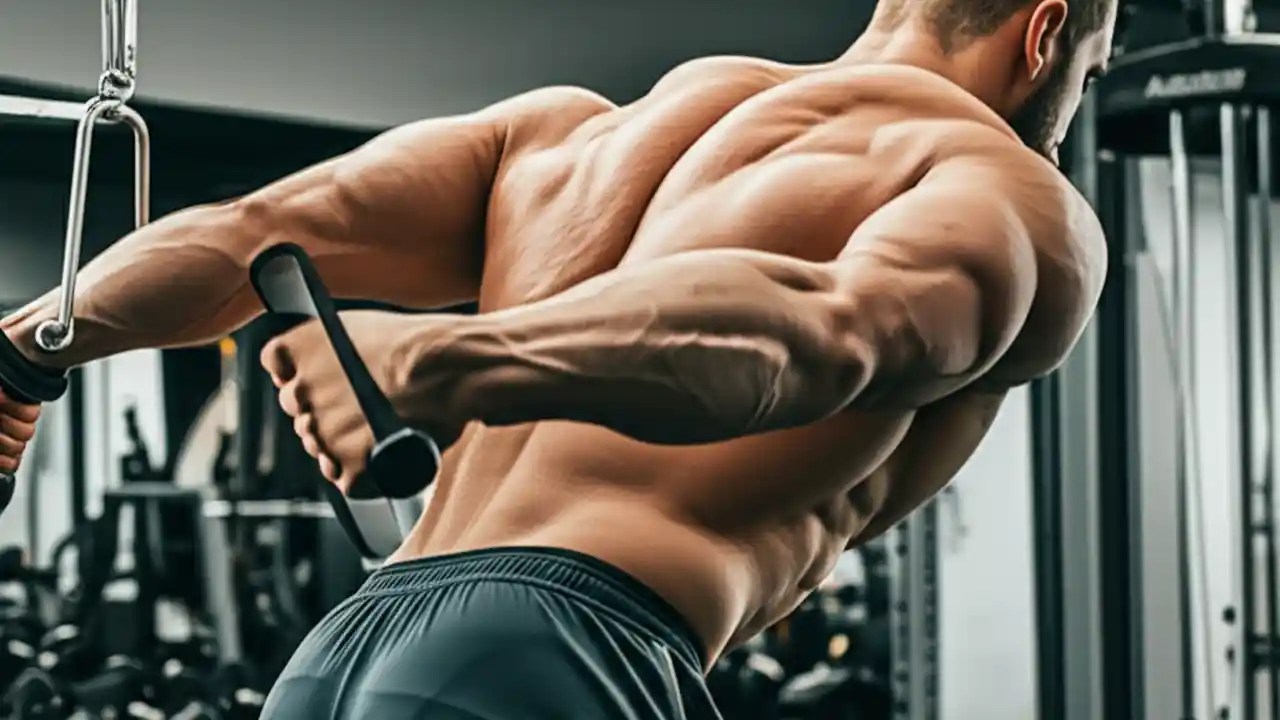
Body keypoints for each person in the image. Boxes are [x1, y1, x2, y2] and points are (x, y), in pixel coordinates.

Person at [0, 0, 1116, 716]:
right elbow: (818, 332)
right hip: (559, 648)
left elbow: (254, 233)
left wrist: (23, 352)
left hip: (338, 657)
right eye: (1094, 71)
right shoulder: (999, 187)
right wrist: (454, 361)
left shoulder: (577, 134)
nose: (1076, 103)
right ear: (1044, 35)